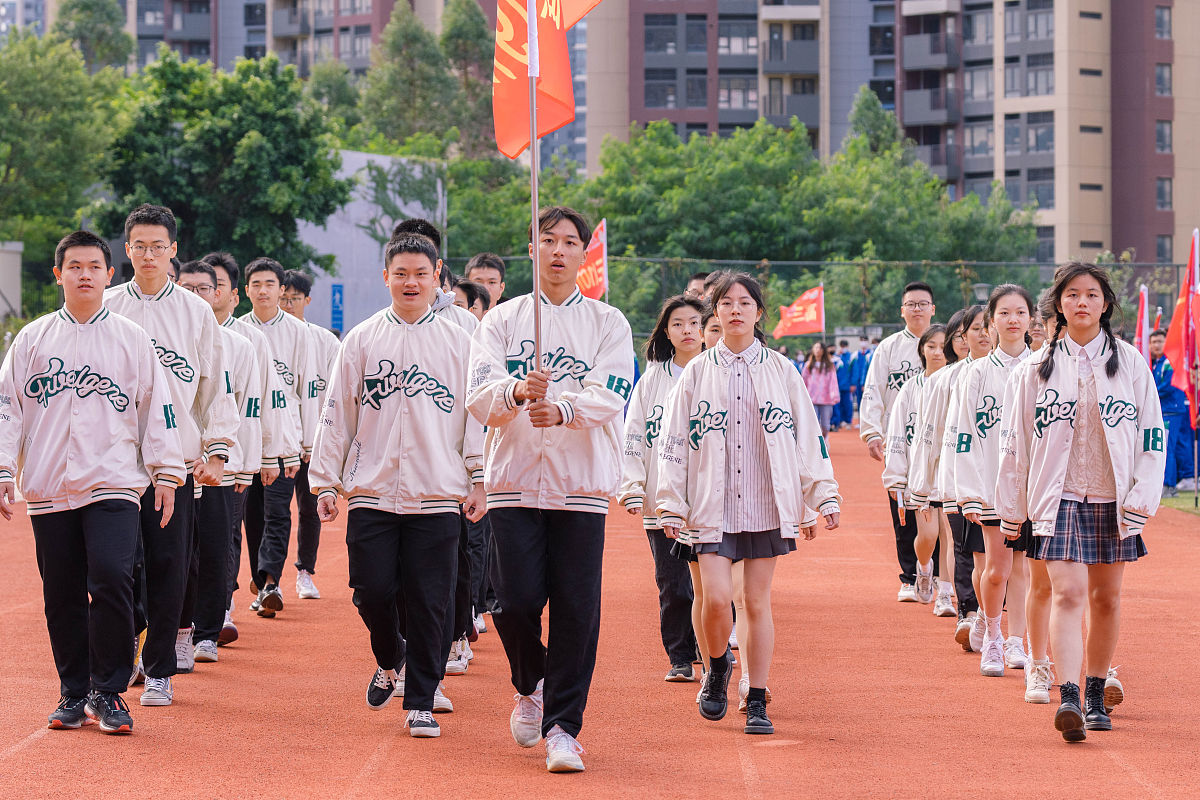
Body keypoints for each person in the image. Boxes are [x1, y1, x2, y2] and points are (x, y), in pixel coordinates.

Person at [0, 230, 187, 733]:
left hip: (113, 484)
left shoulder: (131, 340)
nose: (85, 274)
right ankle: (72, 691)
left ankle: (108, 691)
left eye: (94, 267)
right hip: (49, 487)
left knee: (112, 580)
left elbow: (158, 409)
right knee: (60, 591)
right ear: (59, 274)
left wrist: (167, 473)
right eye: (75, 266)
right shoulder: (34, 339)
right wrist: (2, 469)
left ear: (109, 274)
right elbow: (7, 409)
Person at [467, 206, 632, 772]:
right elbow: (478, 395)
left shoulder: (608, 323)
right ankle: (528, 684)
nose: (558, 250)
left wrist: (563, 408)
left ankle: (564, 727)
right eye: (547, 240)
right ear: (531, 250)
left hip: (579, 486)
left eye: (569, 242)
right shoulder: (502, 321)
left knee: (577, 610)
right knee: (512, 603)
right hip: (512, 482)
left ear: (584, 254)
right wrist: (515, 392)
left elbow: (613, 392)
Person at [311, 232, 485, 738]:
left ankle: (422, 699)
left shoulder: (462, 341)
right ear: (386, 277)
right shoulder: (362, 339)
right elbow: (336, 413)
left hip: (437, 491)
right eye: (401, 274)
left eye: (421, 273)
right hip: (372, 491)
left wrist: (478, 478)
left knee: (431, 599)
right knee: (371, 592)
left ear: (438, 278)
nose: (411, 282)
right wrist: (325, 482)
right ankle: (391, 657)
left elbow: (478, 419)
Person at [657, 272, 840, 736]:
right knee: (715, 599)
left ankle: (757, 696)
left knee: (756, 601)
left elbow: (808, 437)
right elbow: (673, 440)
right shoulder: (696, 372)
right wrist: (670, 503)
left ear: (760, 313)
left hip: (764, 502)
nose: (735, 309)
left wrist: (822, 494)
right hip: (709, 505)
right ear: (713, 313)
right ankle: (718, 668)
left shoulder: (782, 371)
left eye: (745, 302)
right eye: (726, 303)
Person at [997, 262, 1164, 742]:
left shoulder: (1131, 363)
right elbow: (1015, 442)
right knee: (1067, 594)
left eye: (1091, 294)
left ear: (1105, 304)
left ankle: (1095, 690)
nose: (1082, 303)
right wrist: (1012, 509)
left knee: (1106, 598)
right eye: (1072, 295)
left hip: (1114, 498)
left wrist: (1143, 496)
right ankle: (1067, 693)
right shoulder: (1033, 369)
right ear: (1059, 304)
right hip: (1059, 497)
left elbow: (1152, 432)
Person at [104, 205, 238, 707]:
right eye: (138, 245)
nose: (147, 254)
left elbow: (214, 389)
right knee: (117, 570)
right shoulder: (109, 306)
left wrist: (218, 450)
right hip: (115, 466)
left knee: (167, 566)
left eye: (158, 246)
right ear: (127, 248)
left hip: (175, 466)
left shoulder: (195, 312)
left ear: (174, 250)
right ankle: (121, 657)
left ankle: (158, 666)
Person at [200, 252, 301, 645]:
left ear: (229, 294)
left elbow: (269, 399)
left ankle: (225, 606)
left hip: (238, 455)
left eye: (214, 287)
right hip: (188, 458)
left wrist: (275, 452)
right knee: (205, 539)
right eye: (195, 288)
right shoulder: (186, 333)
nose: (208, 294)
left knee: (234, 530)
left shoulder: (249, 342)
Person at [177, 260, 262, 665]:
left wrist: (242, 465)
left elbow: (247, 409)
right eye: (186, 288)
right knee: (175, 552)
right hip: (172, 464)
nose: (195, 296)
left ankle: (207, 631)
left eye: (203, 289)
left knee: (214, 549)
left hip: (220, 468)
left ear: (218, 295)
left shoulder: (241, 347)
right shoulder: (164, 337)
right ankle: (176, 629)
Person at [618, 295, 706, 682]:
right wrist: (633, 485)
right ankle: (681, 656)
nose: (687, 331)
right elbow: (634, 433)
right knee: (673, 584)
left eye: (693, 323)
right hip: (661, 502)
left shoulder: (718, 374)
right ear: (665, 332)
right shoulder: (652, 379)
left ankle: (715, 653)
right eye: (677, 324)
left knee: (715, 584)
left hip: (711, 500)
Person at [953, 286, 1035, 679]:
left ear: (1032, 319)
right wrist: (968, 491)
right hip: (989, 483)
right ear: (992, 321)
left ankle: (1018, 640)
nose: (1013, 320)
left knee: (1025, 569)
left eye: (1020, 312)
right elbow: (965, 432)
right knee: (998, 568)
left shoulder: (1044, 367)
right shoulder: (977, 373)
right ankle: (993, 636)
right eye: (1004, 313)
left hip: (1034, 486)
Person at [240, 257, 318, 618]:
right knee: (252, 514)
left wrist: (307, 442)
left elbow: (309, 387)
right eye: (256, 284)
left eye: (270, 284)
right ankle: (262, 574)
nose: (263, 290)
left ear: (281, 289)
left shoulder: (299, 332)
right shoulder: (237, 331)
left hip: (286, 438)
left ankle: (271, 580)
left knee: (277, 511)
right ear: (246, 290)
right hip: (247, 439)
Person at [860, 282, 935, 602]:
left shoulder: (944, 344)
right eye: (911, 304)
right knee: (902, 507)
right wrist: (872, 432)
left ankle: (939, 574)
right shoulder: (888, 348)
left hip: (936, 440)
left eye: (923, 304)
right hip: (899, 439)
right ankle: (909, 576)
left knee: (939, 508)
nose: (917, 309)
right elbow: (873, 389)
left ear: (933, 309)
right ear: (901, 310)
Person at [883, 325, 954, 615]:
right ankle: (924, 568)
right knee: (928, 535)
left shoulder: (956, 383)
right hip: (920, 475)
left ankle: (946, 594)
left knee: (950, 534)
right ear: (922, 350)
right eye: (931, 346)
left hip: (949, 474)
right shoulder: (910, 390)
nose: (937, 352)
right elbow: (898, 434)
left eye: (942, 346)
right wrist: (895, 477)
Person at [281, 269, 342, 601]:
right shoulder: (264, 338)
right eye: (283, 298)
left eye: (294, 298)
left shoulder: (325, 341)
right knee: (272, 514)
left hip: (314, 443)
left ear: (307, 300)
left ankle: (305, 572)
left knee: (308, 510)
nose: (288, 304)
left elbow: (336, 395)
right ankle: (268, 578)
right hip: (277, 445)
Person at [1149, 329, 1195, 496]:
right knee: (1165, 447)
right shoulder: (1157, 362)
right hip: (1164, 410)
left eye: (1159, 341)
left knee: (1167, 448)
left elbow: (1167, 386)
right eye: (1153, 342)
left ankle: (1168, 485)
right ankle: (1169, 483)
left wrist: (1148, 392)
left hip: (1171, 411)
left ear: (1166, 343)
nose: (1156, 345)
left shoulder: (1169, 362)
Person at [801, 341, 840, 435]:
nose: (818, 350)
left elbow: (833, 381)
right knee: (813, 424)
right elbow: (803, 381)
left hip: (826, 399)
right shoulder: (808, 365)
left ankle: (824, 439)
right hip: (811, 398)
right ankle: (816, 445)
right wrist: (802, 395)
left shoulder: (829, 365)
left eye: (820, 348)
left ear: (824, 351)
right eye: (816, 348)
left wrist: (834, 395)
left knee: (826, 425)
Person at [832, 340, 854, 430]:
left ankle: (848, 421)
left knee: (847, 403)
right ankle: (839, 421)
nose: (843, 347)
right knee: (838, 404)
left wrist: (853, 383)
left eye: (844, 346)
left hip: (847, 385)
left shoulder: (851, 357)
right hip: (837, 385)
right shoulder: (836, 357)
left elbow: (853, 371)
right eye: (841, 346)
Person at [848, 338, 872, 415]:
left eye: (865, 340)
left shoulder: (871, 354)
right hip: (857, 382)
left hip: (868, 382)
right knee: (859, 401)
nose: (863, 342)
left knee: (869, 402)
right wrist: (853, 383)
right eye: (861, 340)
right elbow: (851, 369)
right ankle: (860, 419)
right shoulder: (855, 355)